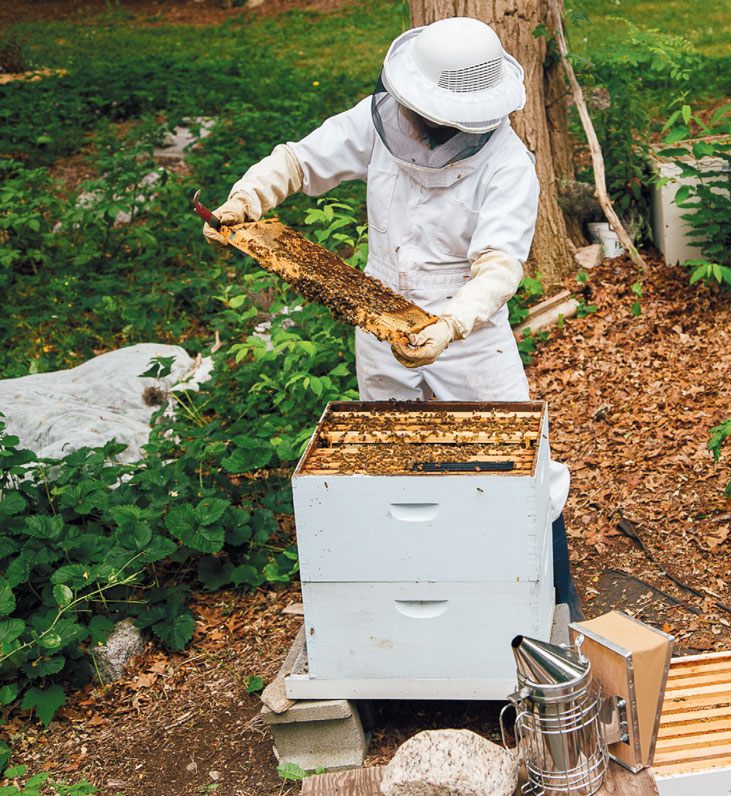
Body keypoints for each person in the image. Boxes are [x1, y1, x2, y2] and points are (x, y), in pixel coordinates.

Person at [203, 16, 581, 620]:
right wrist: (250, 197)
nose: (422, 124)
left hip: (468, 331)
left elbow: (498, 268)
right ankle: (424, 588)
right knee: (394, 457)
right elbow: (301, 161)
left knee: (521, 463)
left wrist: (450, 325)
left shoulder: (508, 163)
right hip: (378, 314)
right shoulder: (380, 121)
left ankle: (557, 597)